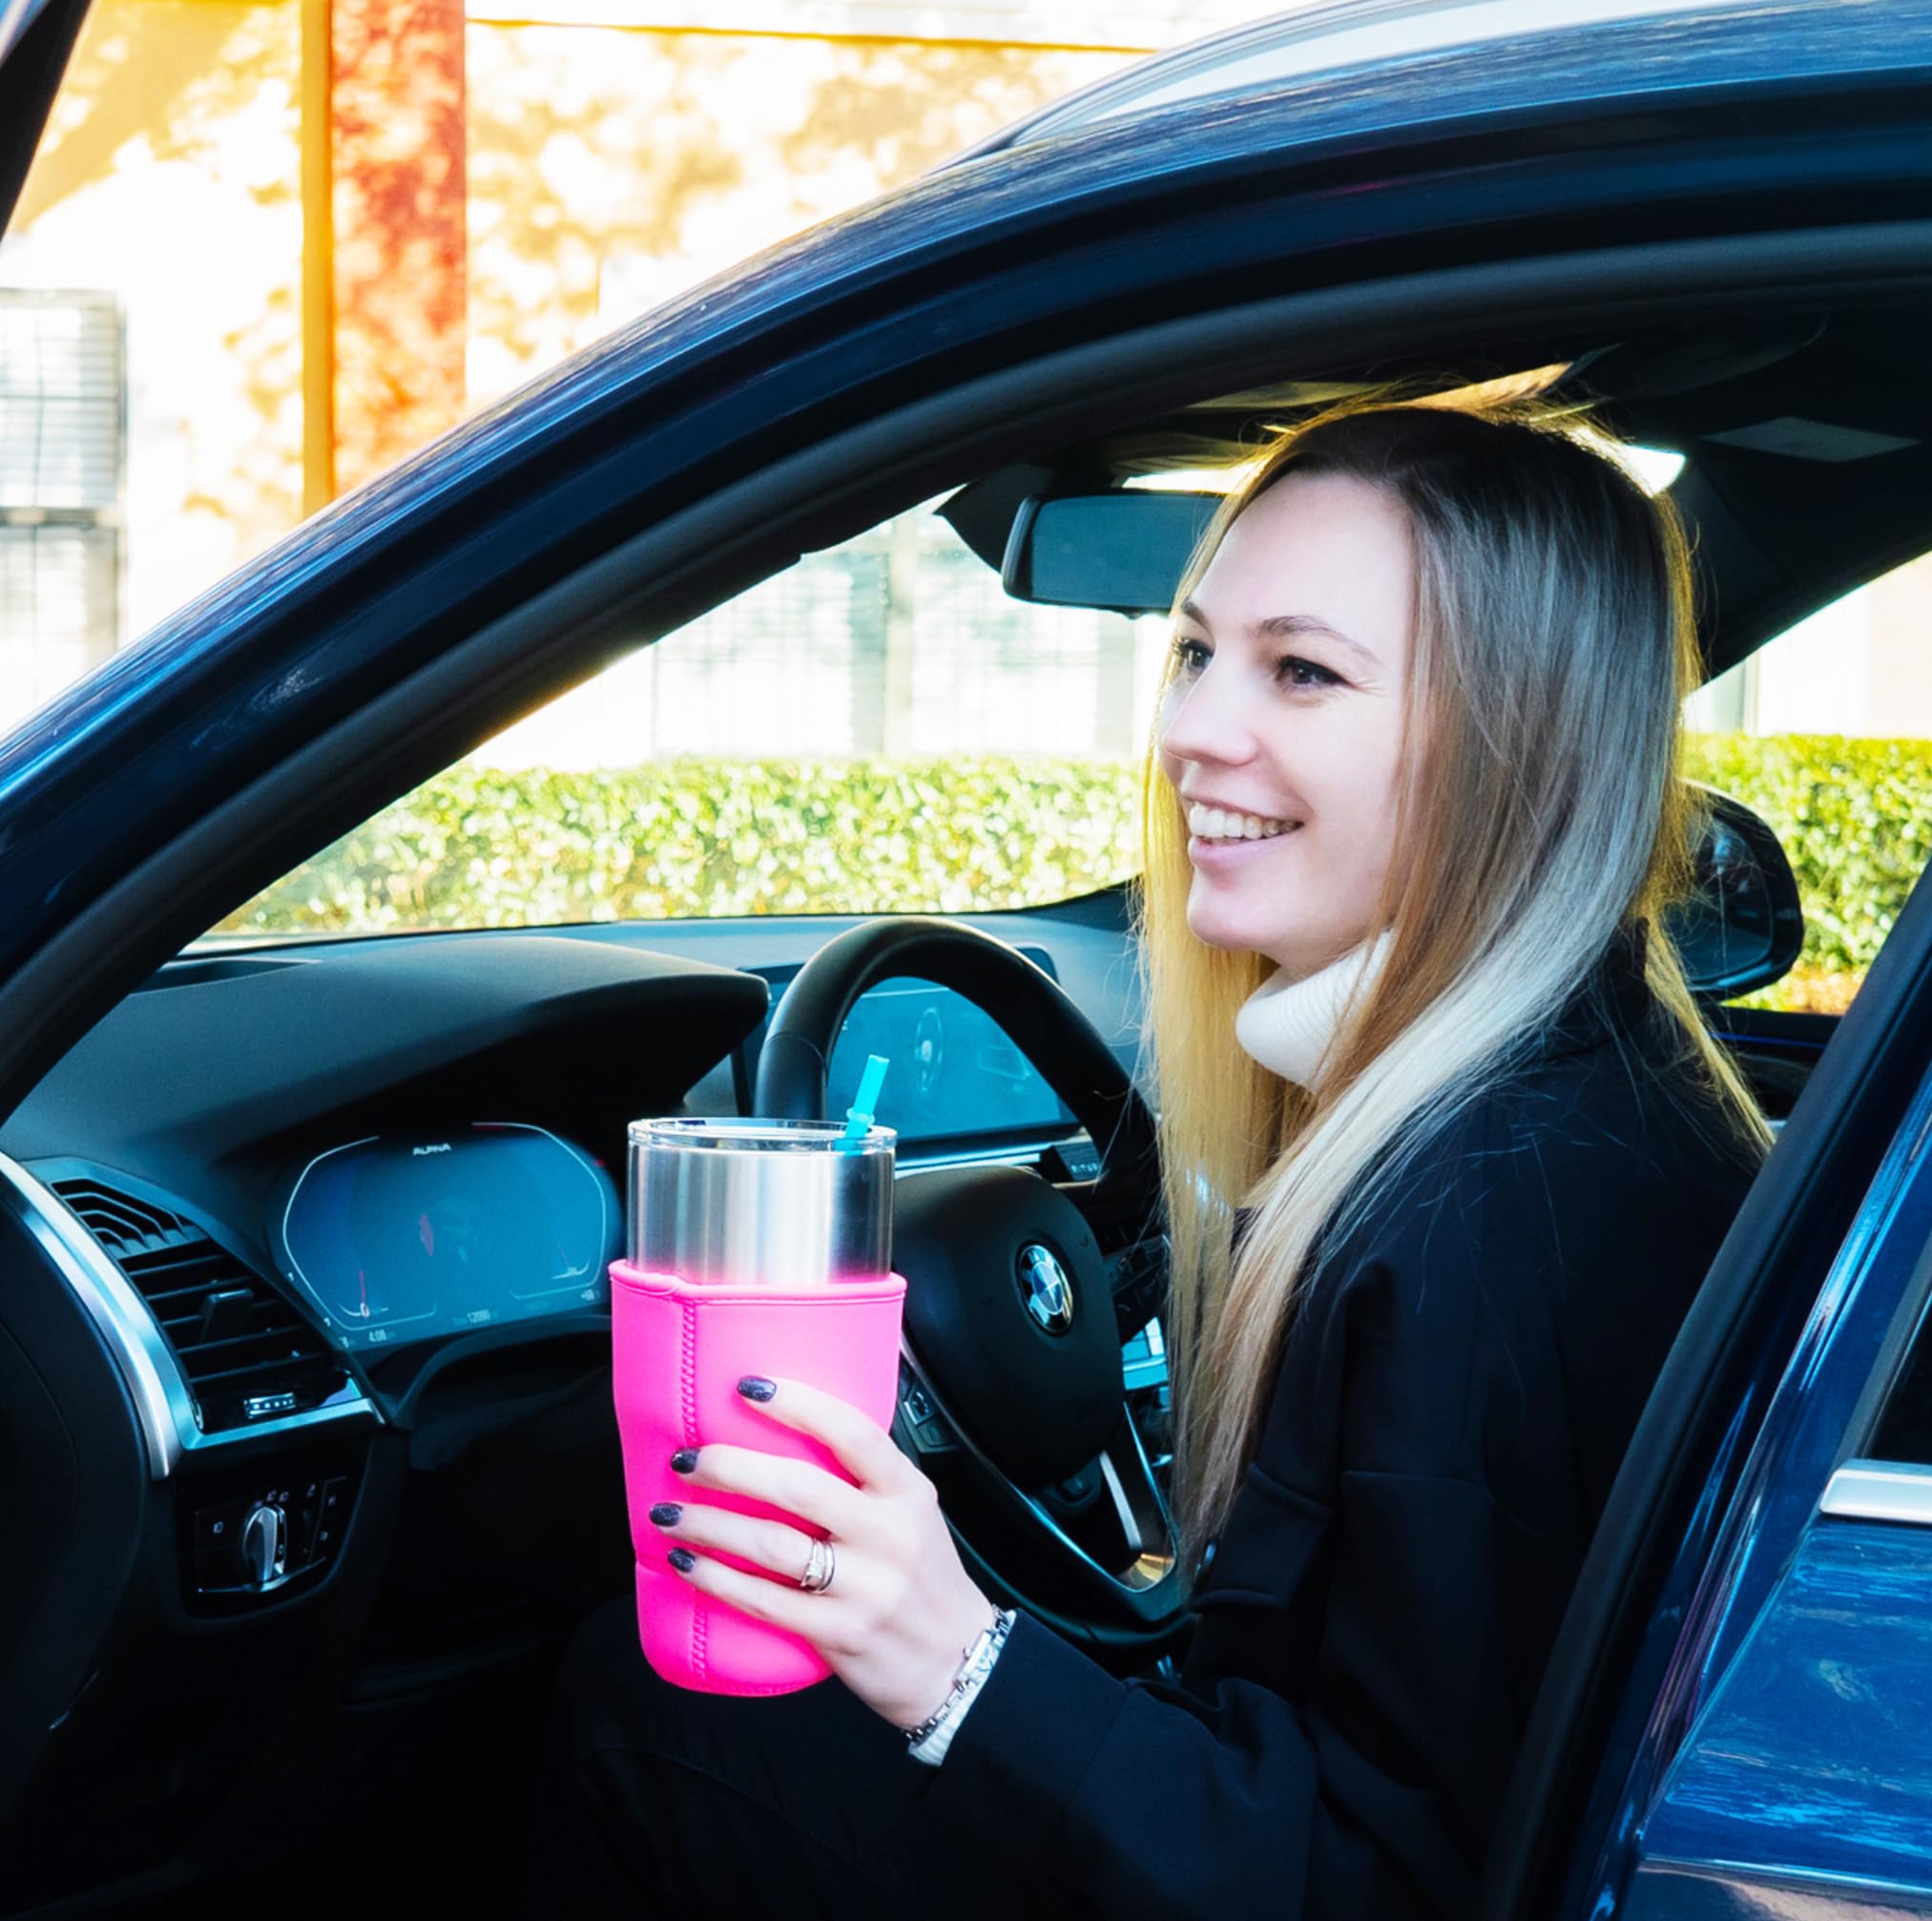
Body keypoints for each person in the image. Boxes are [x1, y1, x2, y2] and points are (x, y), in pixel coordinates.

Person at [518, 395, 1774, 1919]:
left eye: (1301, 670)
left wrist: (955, 1657)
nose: (1187, 728)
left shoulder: (1469, 1229)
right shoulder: (1598, 1093)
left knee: (635, 1702)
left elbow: (1384, 1888)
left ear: (1512, 747)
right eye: (1194, 653)